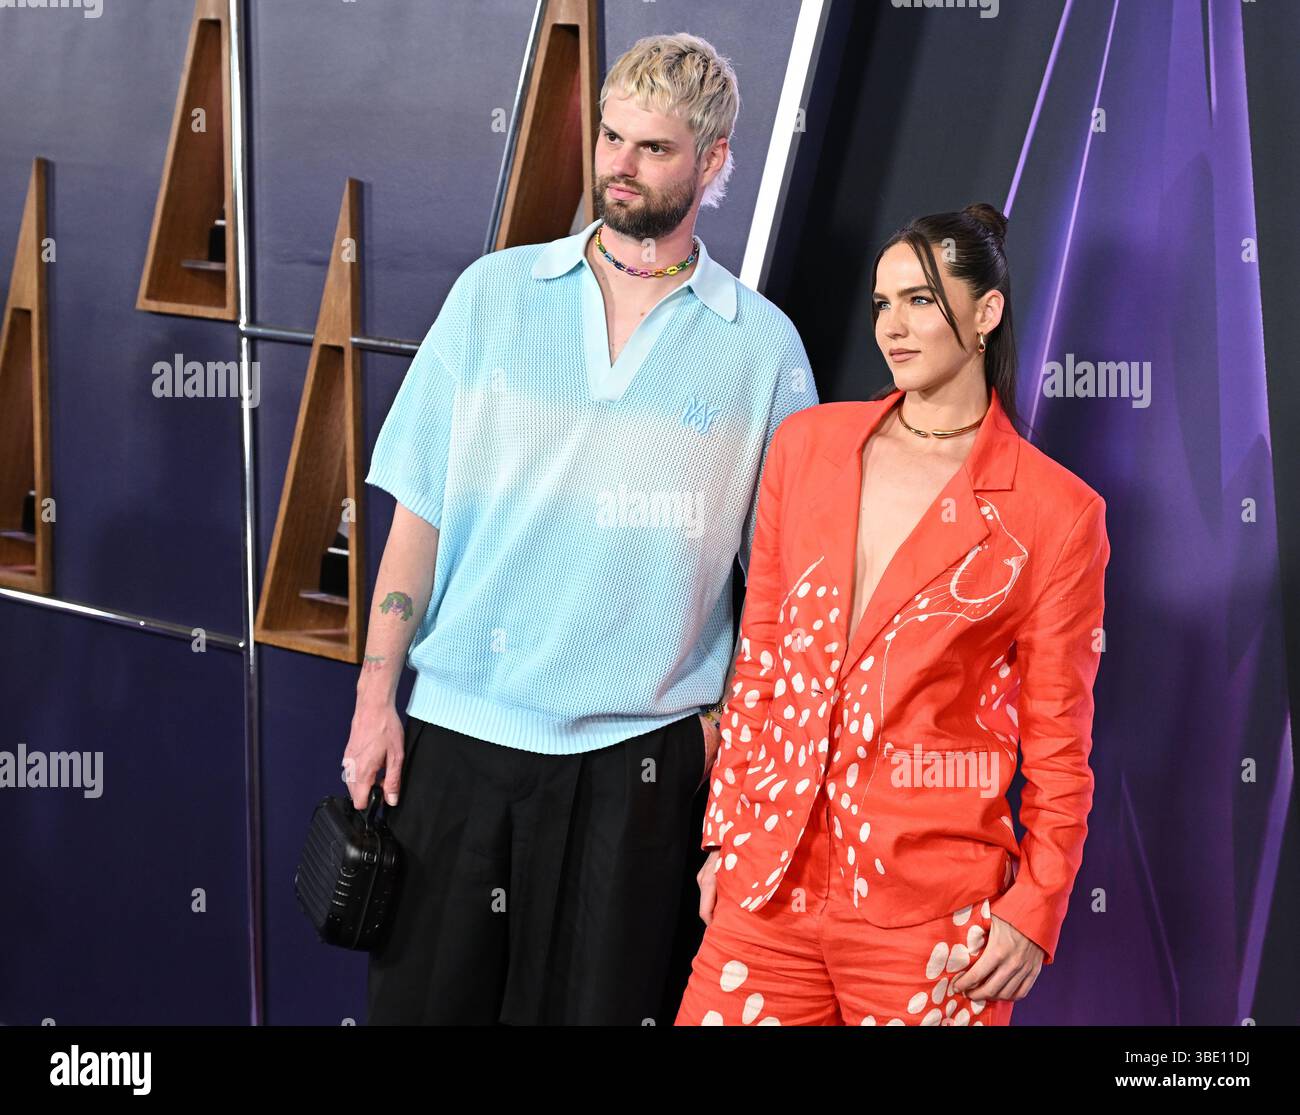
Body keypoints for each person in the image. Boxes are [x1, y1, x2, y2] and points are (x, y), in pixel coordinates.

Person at [346, 32, 819, 1025]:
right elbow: (417, 516)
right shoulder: (491, 295)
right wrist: (375, 697)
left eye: (654, 147)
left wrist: (722, 749)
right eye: (611, 137)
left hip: (636, 768)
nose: (620, 164)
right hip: (458, 737)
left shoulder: (764, 350)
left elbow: (784, 591)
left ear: (713, 160)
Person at [675, 203, 1110, 1026]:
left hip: (933, 916)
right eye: (882, 303)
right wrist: (727, 832)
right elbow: (761, 654)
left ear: (987, 311)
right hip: (768, 887)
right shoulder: (807, 447)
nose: (893, 326)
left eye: (920, 300)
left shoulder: (1056, 512)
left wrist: (1037, 906)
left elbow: (1060, 742)